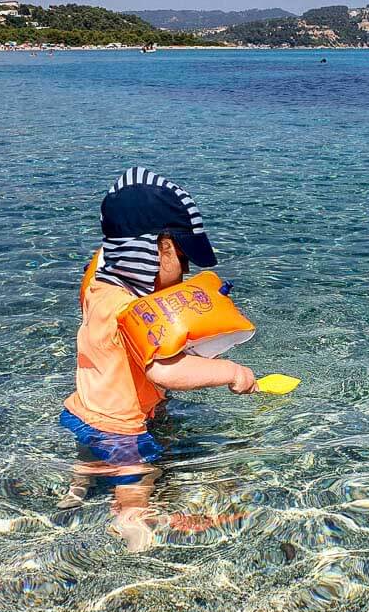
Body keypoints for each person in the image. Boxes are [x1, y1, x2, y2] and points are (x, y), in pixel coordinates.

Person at [59, 168, 257, 548]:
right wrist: (230, 371)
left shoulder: (101, 288)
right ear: (161, 248)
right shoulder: (133, 313)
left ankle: (78, 487)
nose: (185, 272)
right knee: (137, 481)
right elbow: (164, 370)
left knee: (93, 456)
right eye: (182, 258)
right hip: (121, 429)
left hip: (83, 411)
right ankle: (131, 528)